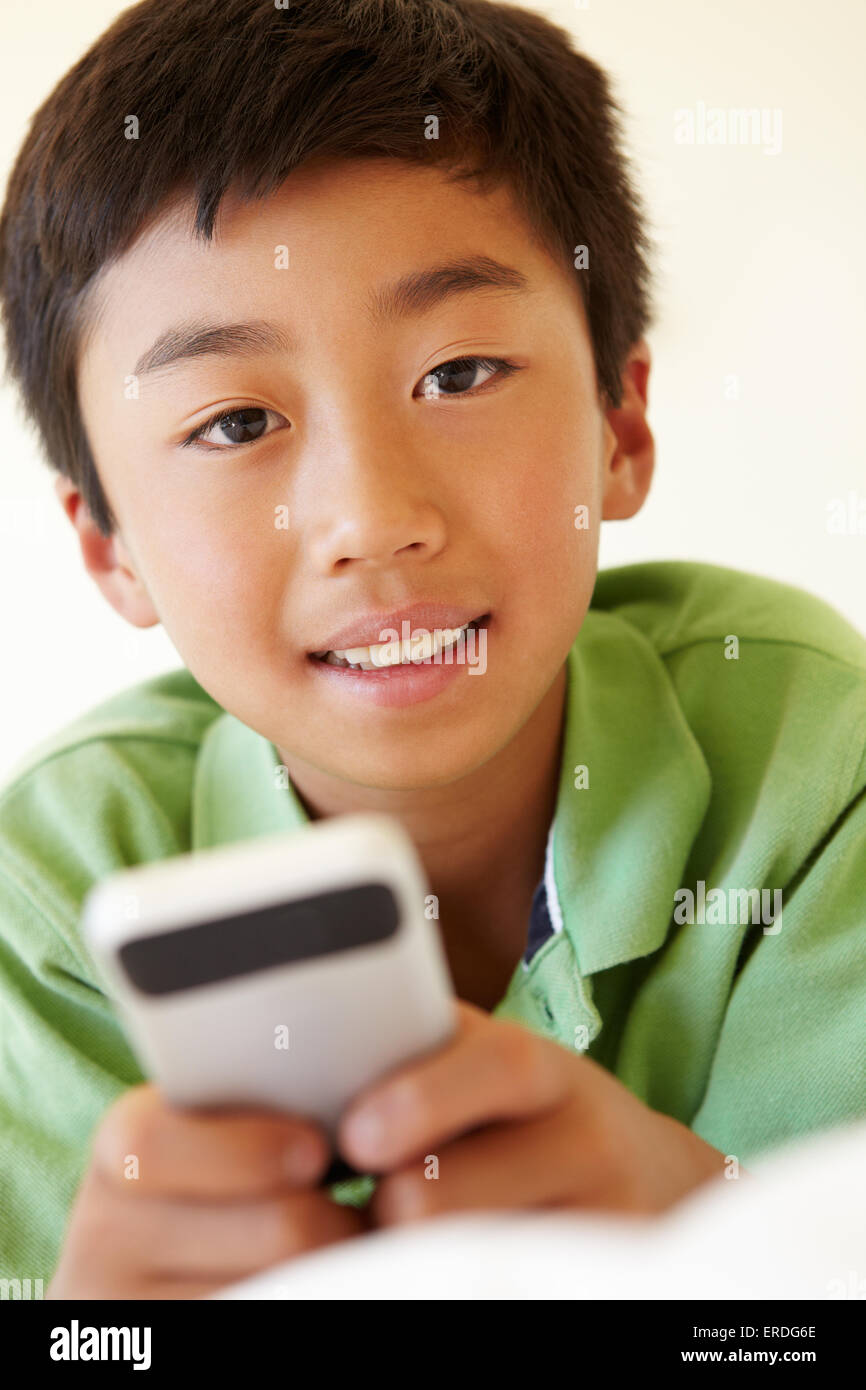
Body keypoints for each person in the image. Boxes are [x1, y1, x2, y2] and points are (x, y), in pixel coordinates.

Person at [0, 0, 863, 1300]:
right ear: (109, 543)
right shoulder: (57, 897)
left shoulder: (803, 755)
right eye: (235, 422)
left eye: (458, 374)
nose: (372, 521)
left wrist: (710, 1221)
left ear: (618, 426)